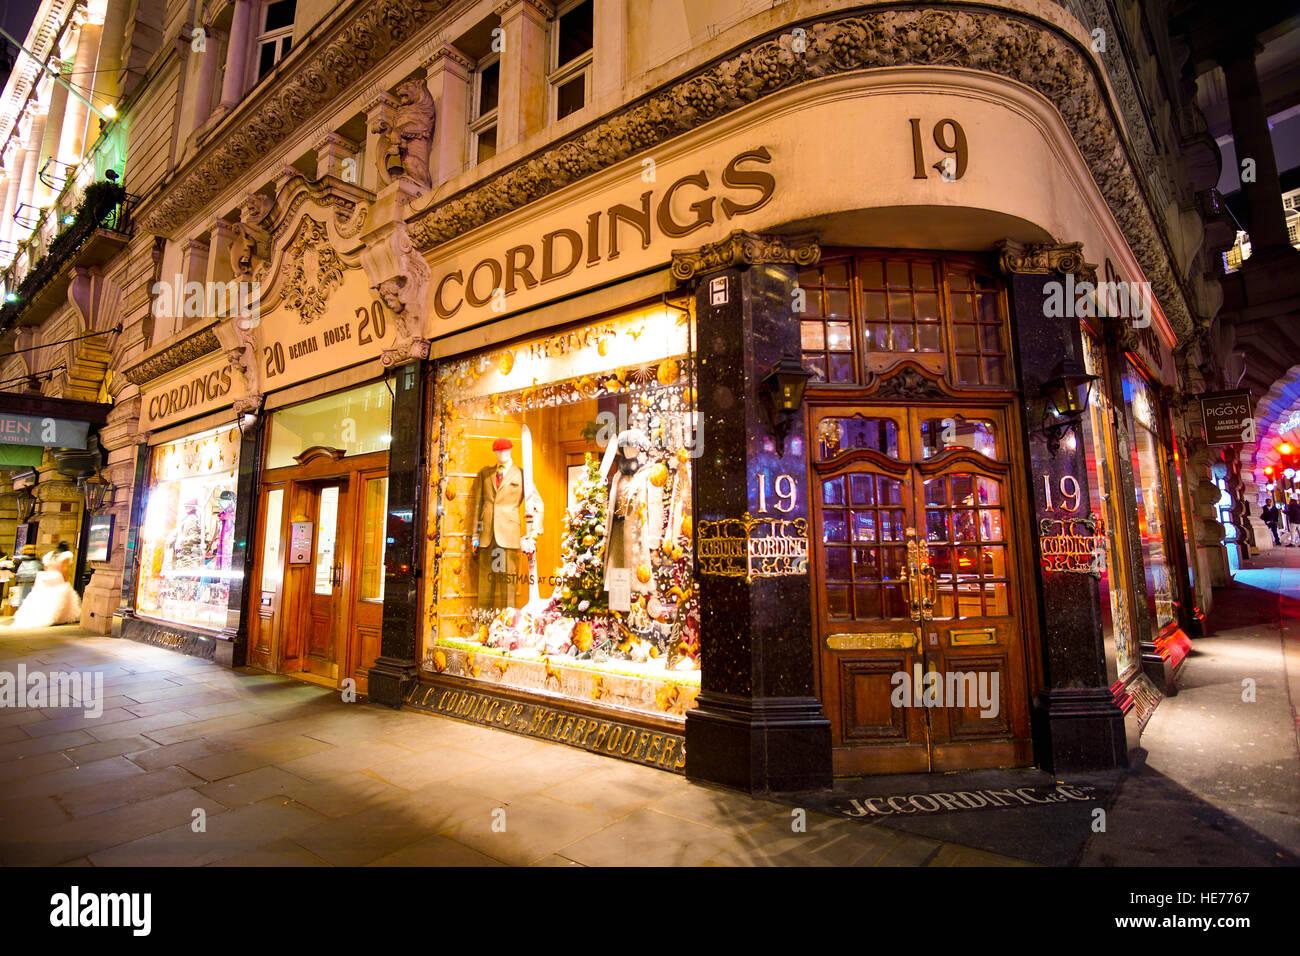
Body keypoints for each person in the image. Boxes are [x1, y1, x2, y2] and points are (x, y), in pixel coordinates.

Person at [8, 547, 81, 628]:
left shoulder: (48, 556)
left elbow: (45, 568)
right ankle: (56, 616)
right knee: (56, 598)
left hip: (45, 577)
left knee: (41, 597)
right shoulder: (65, 555)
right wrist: (65, 580)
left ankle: (35, 615)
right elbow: (65, 569)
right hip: (57, 577)